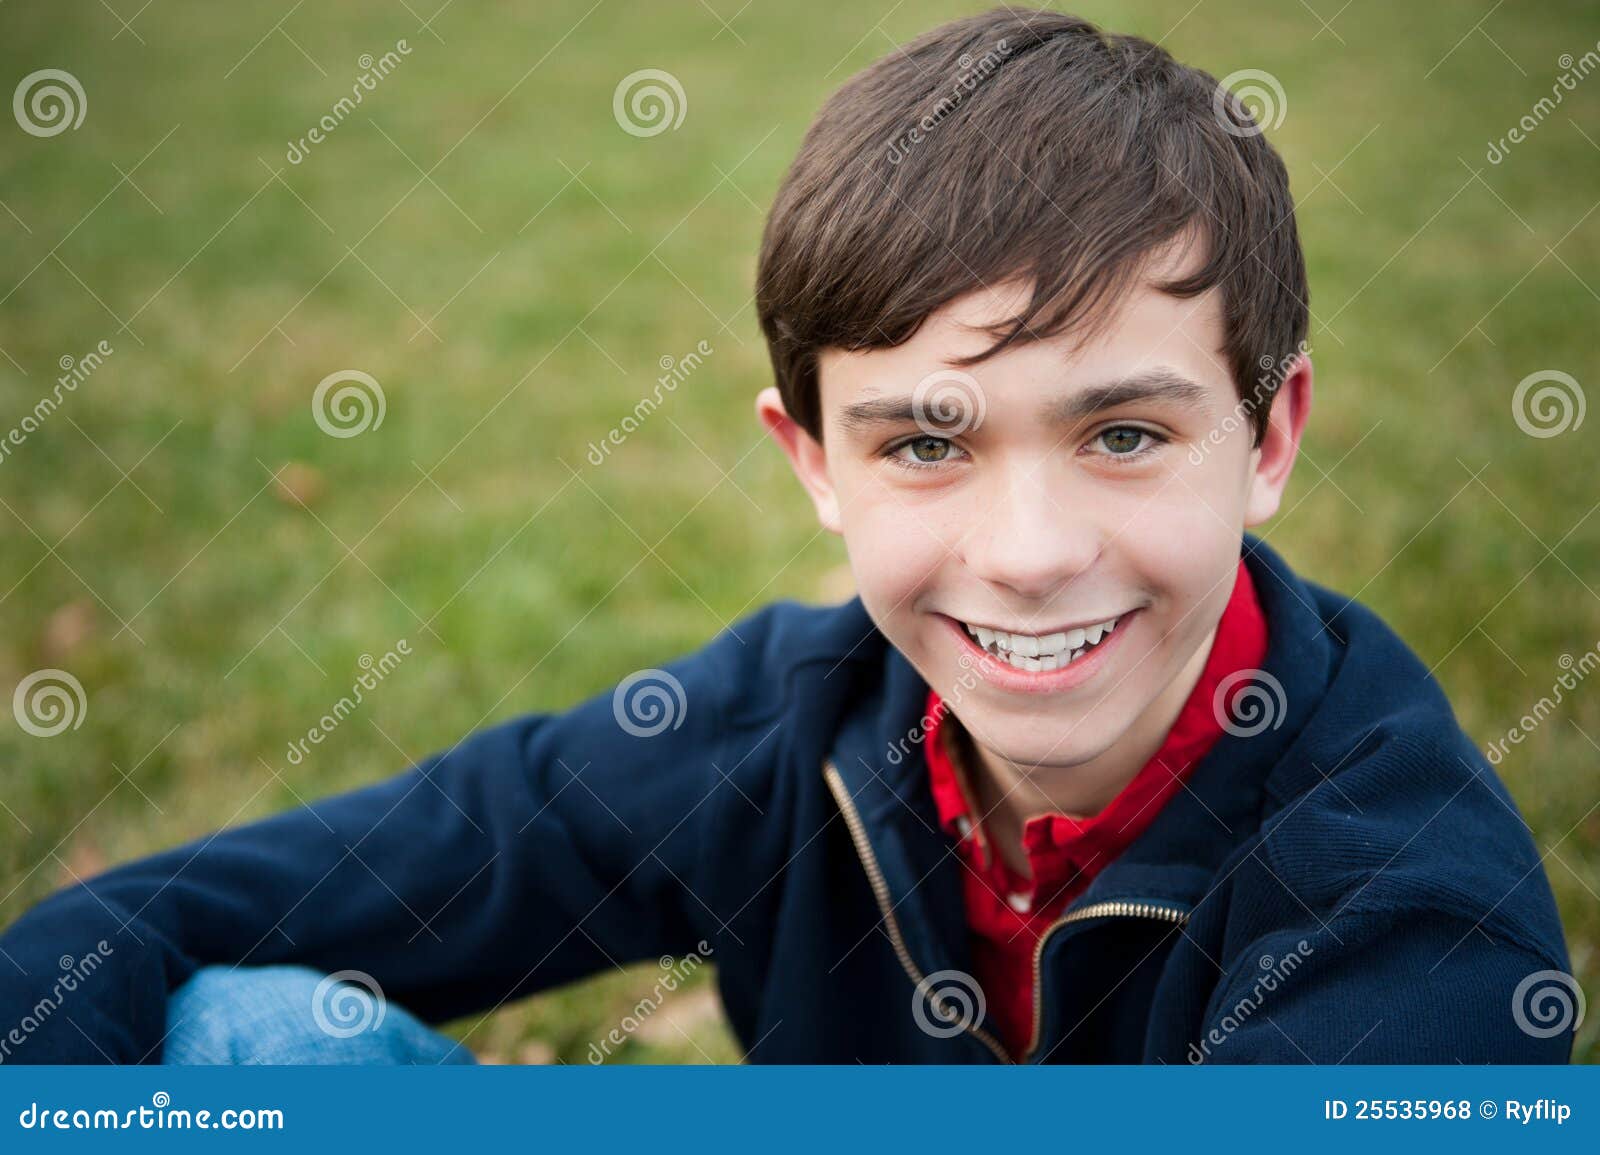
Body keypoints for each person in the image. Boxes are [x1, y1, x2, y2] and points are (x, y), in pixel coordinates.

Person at [0, 7, 1572, 1065]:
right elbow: (191, 914)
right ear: (814, 462)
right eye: (925, 443)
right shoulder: (775, 729)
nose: (1027, 552)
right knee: (250, 1045)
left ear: (1271, 435)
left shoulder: (1408, 900)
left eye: (1124, 434)